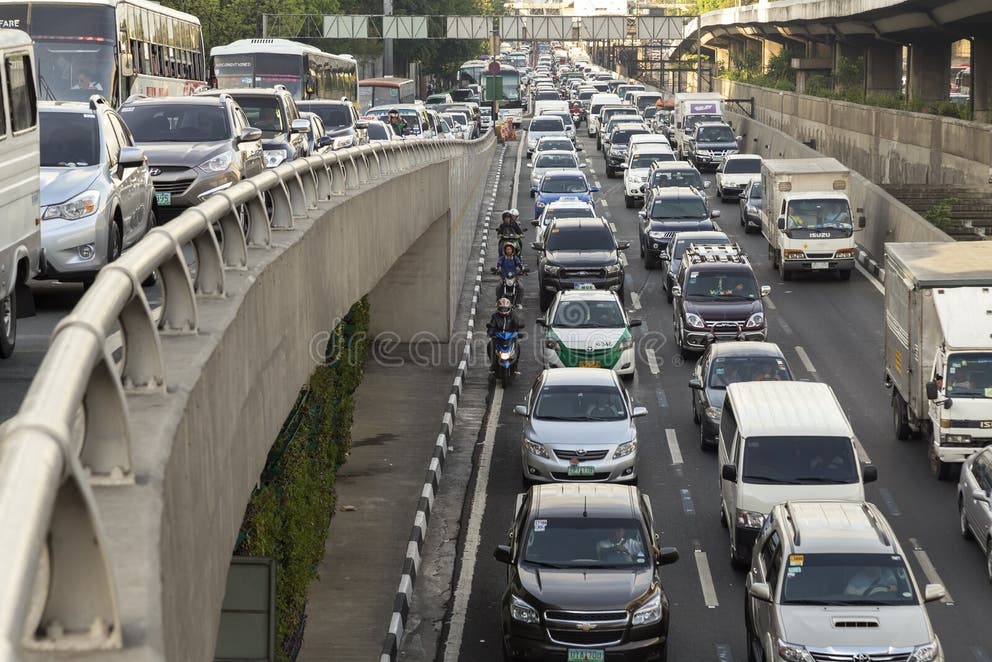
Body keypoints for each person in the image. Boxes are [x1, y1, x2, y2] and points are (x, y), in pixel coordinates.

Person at [485, 298, 524, 365]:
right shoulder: (495, 316)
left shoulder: (513, 316)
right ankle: (492, 362)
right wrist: (490, 332)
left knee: (517, 345)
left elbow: (516, 324)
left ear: (509, 308)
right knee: (490, 344)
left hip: (510, 336)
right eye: (502, 308)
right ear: (498, 308)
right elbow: (492, 325)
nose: (504, 310)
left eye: (505, 308)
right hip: (498, 336)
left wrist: (518, 330)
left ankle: (516, 362)